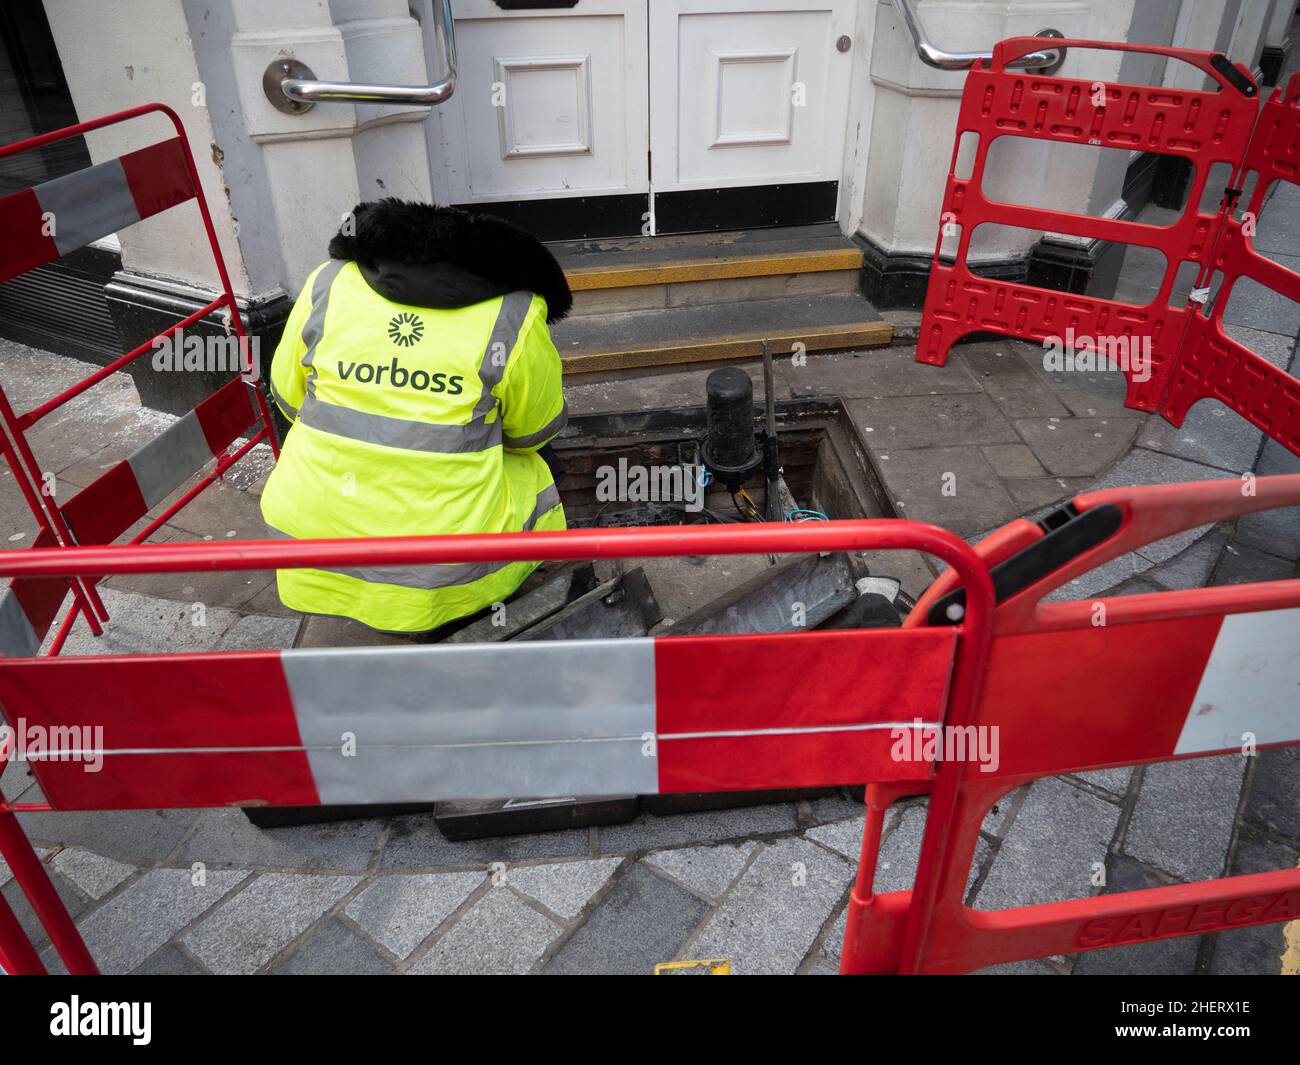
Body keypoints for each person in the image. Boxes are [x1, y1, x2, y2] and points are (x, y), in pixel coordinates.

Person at [259, 199, 572, 633]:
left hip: (309, 535)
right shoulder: (512, 313)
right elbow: (533, 431)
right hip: (446, 566)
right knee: (533, 470)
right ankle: (471, 606)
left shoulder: (328, 282)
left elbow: (289, 399)